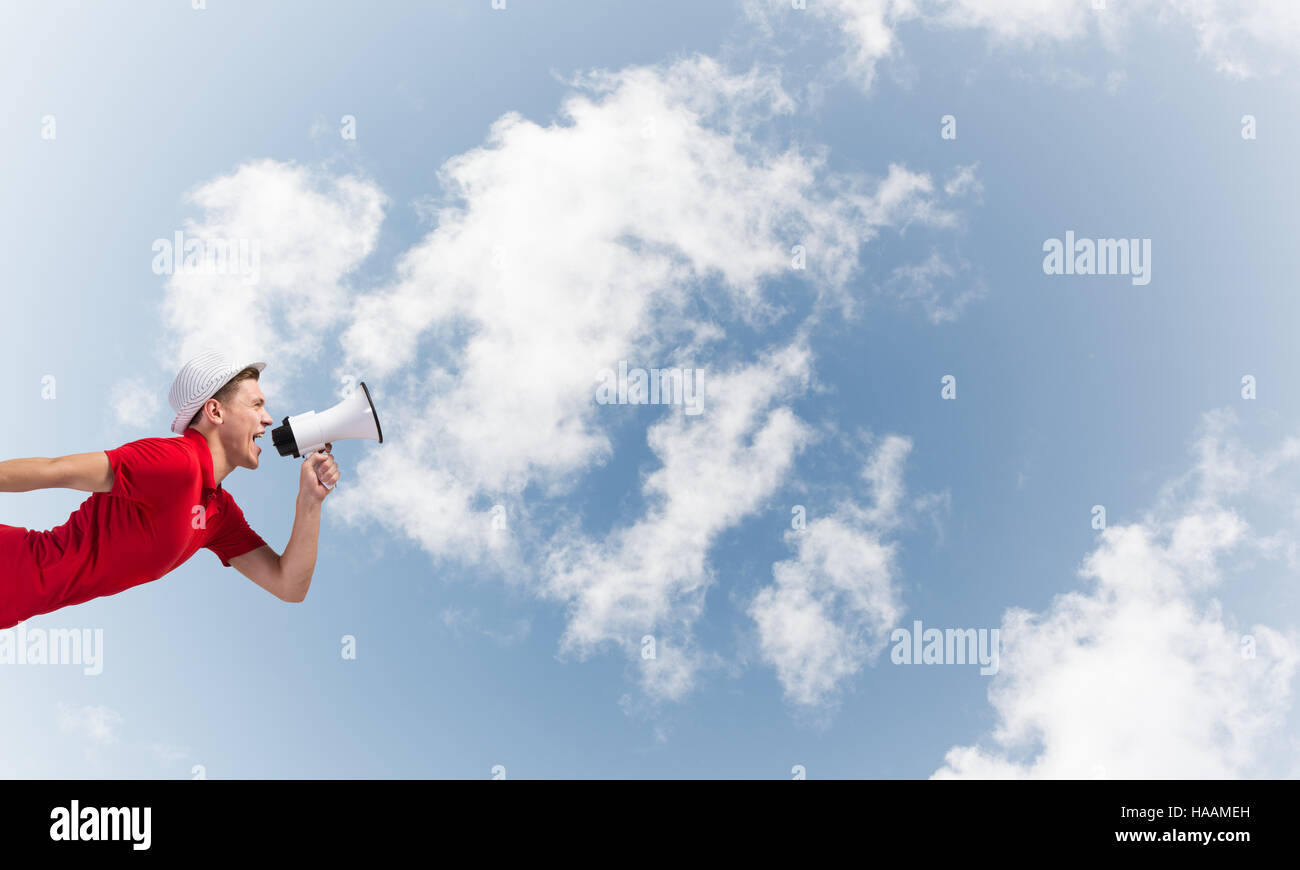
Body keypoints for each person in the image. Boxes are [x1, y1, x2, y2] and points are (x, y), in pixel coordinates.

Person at [0, 349, 340, 629]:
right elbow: (55, 470)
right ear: (215, 411)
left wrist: (310, 501)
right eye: (256, 405)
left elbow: (288, 586)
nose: (268, 419)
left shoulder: (218, 513)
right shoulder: (175, 462)